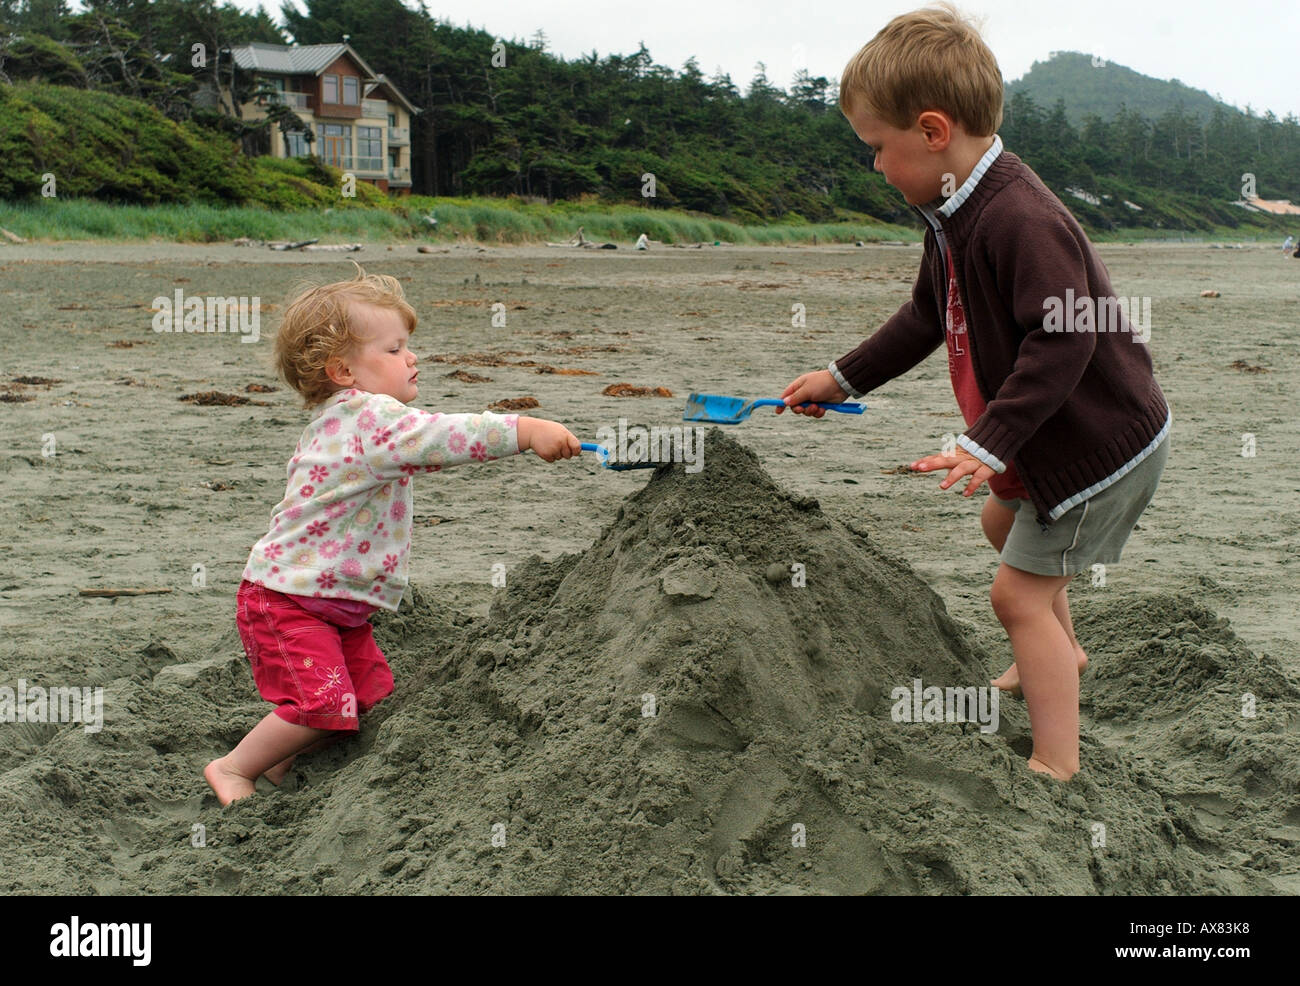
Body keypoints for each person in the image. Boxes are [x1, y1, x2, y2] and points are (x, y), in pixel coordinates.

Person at [777, 3, 1171, 781]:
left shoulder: (1019, 218)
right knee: (1003, 526)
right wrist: (843, 375)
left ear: (932, 131)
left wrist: (983, 442)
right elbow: (928, 314)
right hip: (1053, 442)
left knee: (1015, 598)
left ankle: (1056, 763)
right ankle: (1060, 655)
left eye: (878, 149)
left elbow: (1067, 339)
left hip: (1097, 448)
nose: (877, 169)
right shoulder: (950, 213)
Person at [205, 265, 582, 804]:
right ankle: (234, 768)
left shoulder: (346, 418)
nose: (412, 358)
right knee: (325, 704)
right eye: (393, 349)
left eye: (408, 346)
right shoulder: (369, 420)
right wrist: (522, 430)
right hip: (290, 601)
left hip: (336, 604)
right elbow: (442, 437)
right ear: (342, 370)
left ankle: (281, 760)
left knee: (368, 695)